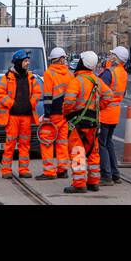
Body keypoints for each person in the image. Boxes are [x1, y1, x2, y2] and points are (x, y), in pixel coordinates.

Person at [61, 51, 111, 195]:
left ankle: (79, 184)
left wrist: (67, 114)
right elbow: (109, 96)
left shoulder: (77, 81)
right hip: (93, 123)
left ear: (82, 62)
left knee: (78, 152)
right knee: (92, 152)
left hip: (77, 122)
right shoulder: (97, 80)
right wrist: (97, 108)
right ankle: (94, 182)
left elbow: (69, 101)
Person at [0, 50, 42, 179]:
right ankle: (6, 170)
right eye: (25, 61)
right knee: (10, 144)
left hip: (26, 116)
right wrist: (12, 104)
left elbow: (37, 93)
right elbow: (0, 94)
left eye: (28, 61)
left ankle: (24, 170)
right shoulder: (7, 77)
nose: (27, 63)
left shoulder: (31, 77)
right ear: (18, 62)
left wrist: (30, 103)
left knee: (25, 144)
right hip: (13, 117)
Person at [37, 48, 73, 181]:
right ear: (62, 59)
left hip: (53, 114)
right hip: (65, 114)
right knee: (62, 141)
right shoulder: (69, 74)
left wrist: (46, 115)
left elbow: (47, 96)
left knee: (46, 141)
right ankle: (62, 170)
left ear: (52, 59)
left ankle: (49, 171)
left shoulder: (49, 73)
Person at [98, 46, 128, 186]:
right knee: (108, 142)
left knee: (101, 144)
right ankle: (115, 174)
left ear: (116, 58)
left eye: (112, 55)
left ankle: (106, 175)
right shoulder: (123, 73)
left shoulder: (109, 72)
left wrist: (98, 107)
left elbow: (99, 91)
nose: (109, 57)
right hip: (115, 113)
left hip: (104, 112)